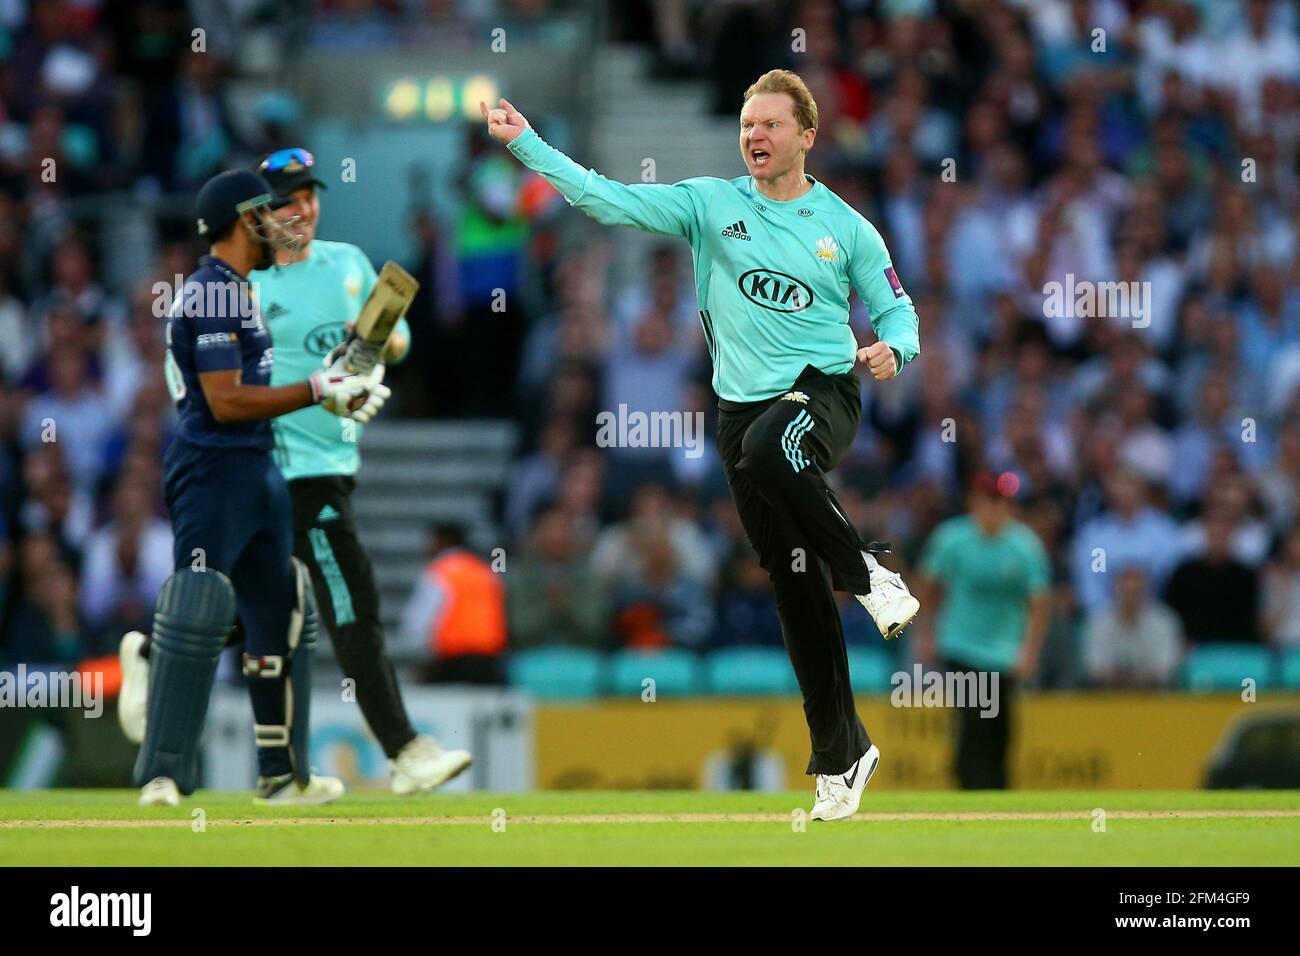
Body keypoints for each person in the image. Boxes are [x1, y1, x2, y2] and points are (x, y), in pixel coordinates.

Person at [481, 68, 921, 821]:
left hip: (823, 395)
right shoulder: (710, 204)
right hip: (738, 413)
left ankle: (870, 574)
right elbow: (604, 198)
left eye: (771, 124)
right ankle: (843, 756)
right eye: (748, 123)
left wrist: (894, 350)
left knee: (772, 451)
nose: (755, 135)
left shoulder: (846, 226)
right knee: (791, 583)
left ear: (807, 136)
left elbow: (897, 308)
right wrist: (529, 146)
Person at [117, 168, 387, 807]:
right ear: (243, 222)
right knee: (199, 606)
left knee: (281, 614)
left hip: (258, 463)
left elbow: (257, 397)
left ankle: (280, 774)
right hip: (213, 471)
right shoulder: (214, 294)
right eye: (266, 214)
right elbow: (226, 401)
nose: (279, 224)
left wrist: (333, 384)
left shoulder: (240, 291)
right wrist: (319, 391)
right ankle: (163, 772)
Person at [252, 147, 471, 794]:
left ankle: (279, 774)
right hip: (291, 475)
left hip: (332, 467)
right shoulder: (251, 292)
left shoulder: (347, 262)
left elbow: (389, 346)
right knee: (352, 606)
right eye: (289, 200)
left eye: (310, 195)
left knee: (269, 621)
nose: (305, 209)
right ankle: (405, 750)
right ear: (262, 216)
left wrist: (378, 338)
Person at [915, 472, 1051, 790]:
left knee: (999, 726)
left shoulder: (1025, 546)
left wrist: (1029, 652)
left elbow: (1040, 602)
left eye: (1001, 502)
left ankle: (993, 786)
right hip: (962, 645)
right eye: (988, 501)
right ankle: (971, 784)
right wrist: (925, 633)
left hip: (1004, 651)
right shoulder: (953, 539)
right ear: (973, 502)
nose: (994, 509)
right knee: (975, 717)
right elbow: (928, 585)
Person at [400, 523, 506, 685]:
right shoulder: (485, 571)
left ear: (443, 541)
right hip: (489, 662)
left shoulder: (439, 572)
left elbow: (418, 623)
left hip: (453, 661)